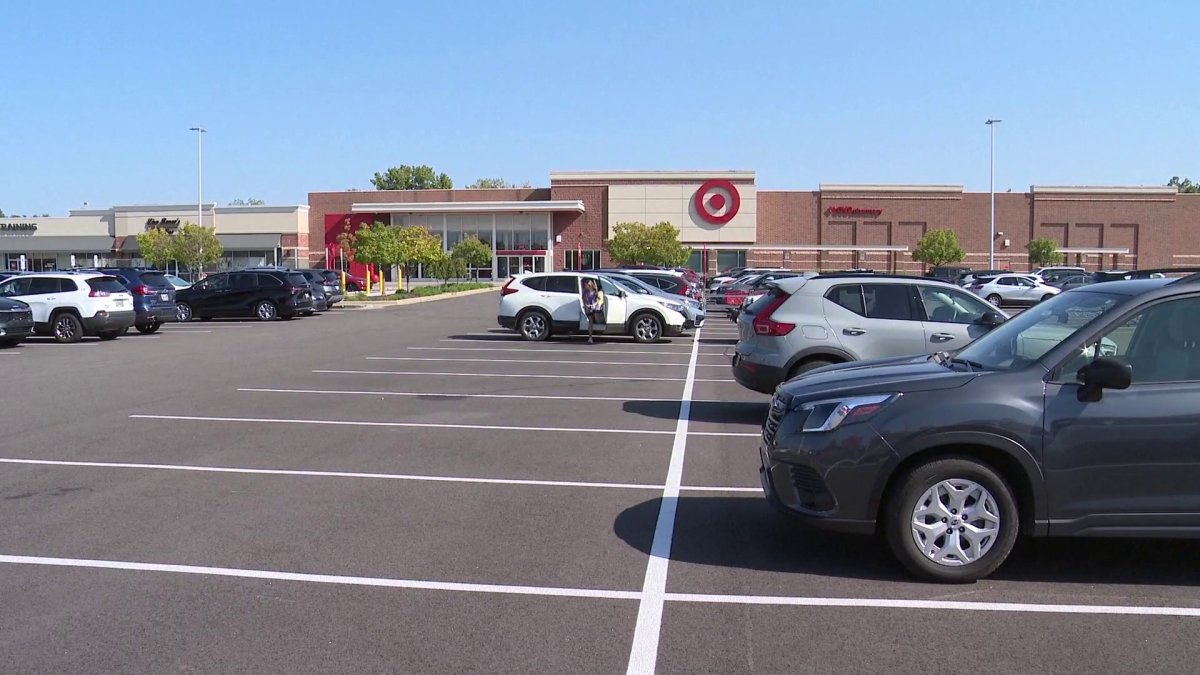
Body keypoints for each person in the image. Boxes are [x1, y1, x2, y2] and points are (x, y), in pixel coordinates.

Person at [581, 279, 605, 344]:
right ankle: (590, 338)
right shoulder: (585, 293)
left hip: (595, 308)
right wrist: (588, 306)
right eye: (585, 285)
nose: (586, 286)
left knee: (597, 317)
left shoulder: (595, 292)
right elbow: (584, 301)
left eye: (587, 285)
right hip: (588, 309)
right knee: (591, 321)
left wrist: (594, 305)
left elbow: (598, 300)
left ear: (590, 285)